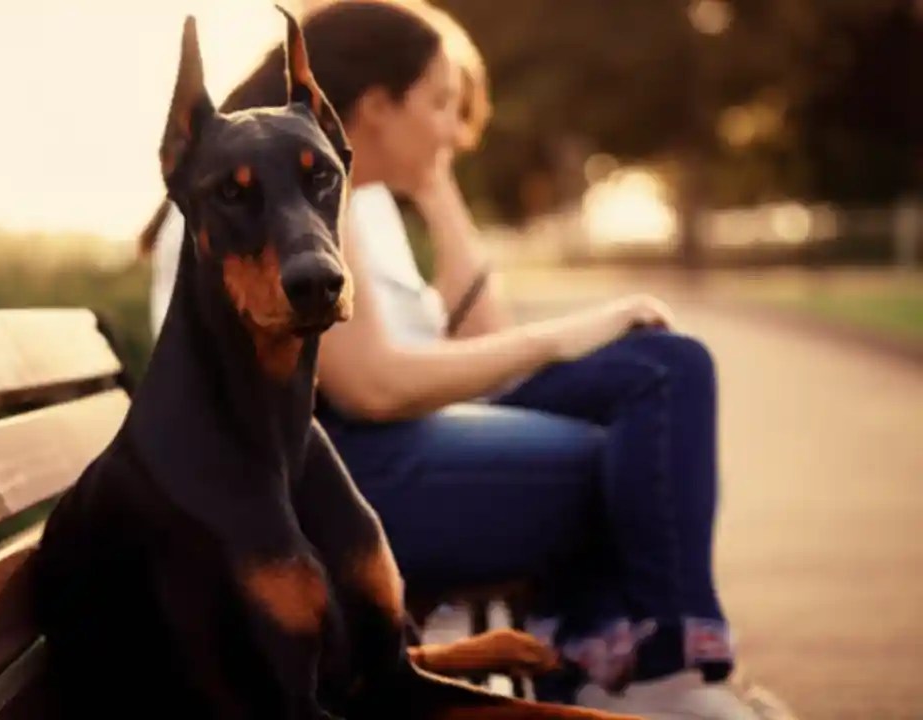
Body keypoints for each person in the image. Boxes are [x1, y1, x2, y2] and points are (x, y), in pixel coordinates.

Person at [141, 3, 793, 718]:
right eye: (441, 104)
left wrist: (437, 188)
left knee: (663, 367)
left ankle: (628, 663)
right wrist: (564, 335)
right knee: (637, 455)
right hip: (329, 471)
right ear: (379, 107)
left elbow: (481, 337)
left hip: (385, 442)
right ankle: (653, 671)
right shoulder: (273, 200)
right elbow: (375, 387)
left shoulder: (355, 193)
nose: (458, 130)